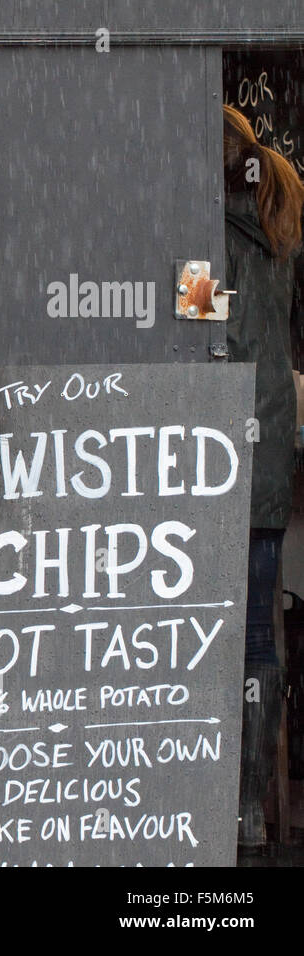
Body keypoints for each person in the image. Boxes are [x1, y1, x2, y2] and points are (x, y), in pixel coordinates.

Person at [223, 104, 304, 851]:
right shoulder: (283, 226)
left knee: (200, 631)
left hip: (213, 448)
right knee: (255, 637)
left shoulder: (200, 225)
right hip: (271, 447)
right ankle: (249, 807)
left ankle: (204, 791)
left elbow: (195, 328)